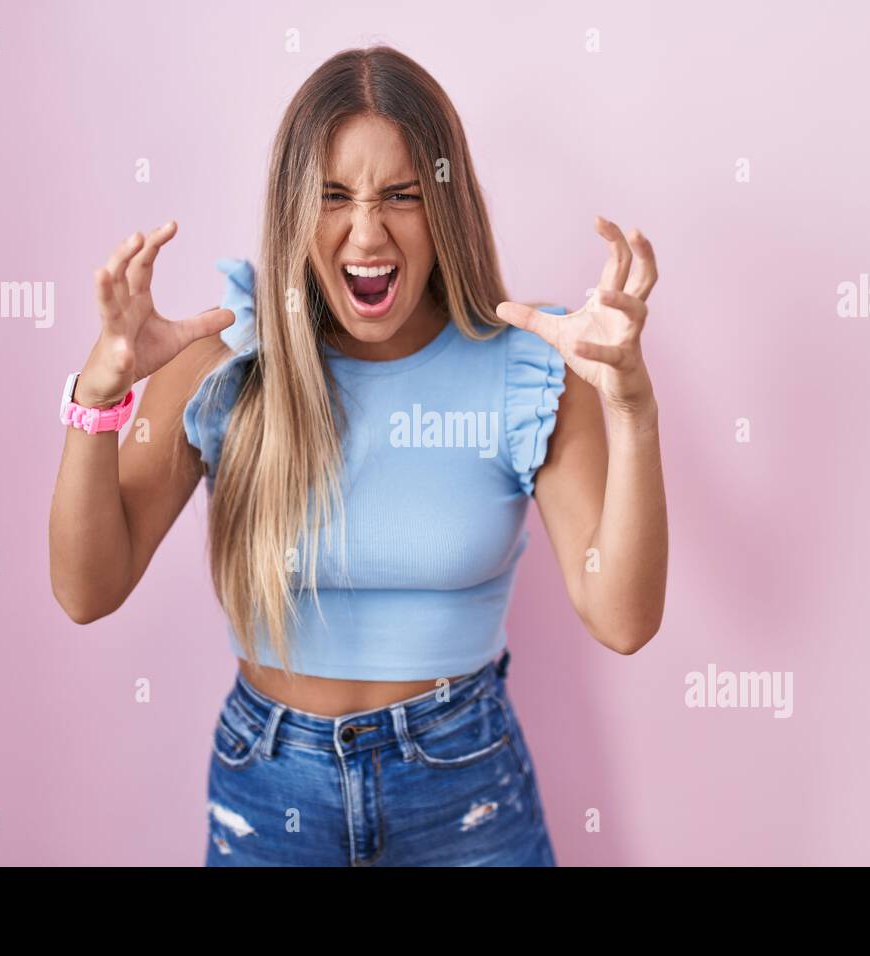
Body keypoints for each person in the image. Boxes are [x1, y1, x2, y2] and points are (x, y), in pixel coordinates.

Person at [48, 45, 668, 866]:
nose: (367, 232)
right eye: (332, 195)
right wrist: (98, 399)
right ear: (291, 210)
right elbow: (88, 590)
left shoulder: (529, 365)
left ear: (444, 206)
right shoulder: (228, 358)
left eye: (402, 196)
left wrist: (631, 408)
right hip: (270, 791)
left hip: (464, 787)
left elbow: (623, 619)